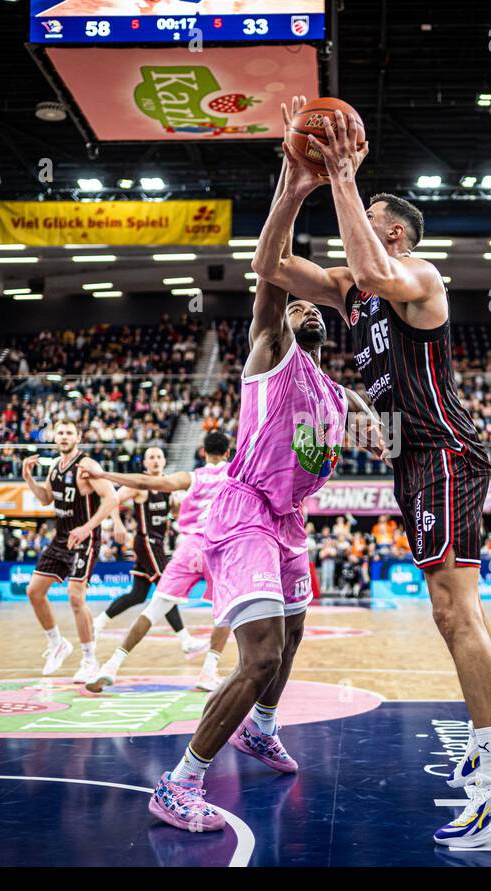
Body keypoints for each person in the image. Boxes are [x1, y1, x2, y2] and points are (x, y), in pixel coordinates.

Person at [252, 97, 491, 848]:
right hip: (415, 457)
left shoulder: (418, 276)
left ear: (397, 230)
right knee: (458, 611)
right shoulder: (353, 294)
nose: (353, 223)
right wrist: (294, 183)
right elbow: (269, 266)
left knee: (452, 611)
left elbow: (375, 266)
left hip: (442, 448)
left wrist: (344, 172)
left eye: (366, 211)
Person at [145, 160, 382, 833]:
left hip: (288, 521)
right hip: (243, 512)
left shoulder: (338, 396)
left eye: (313, 305)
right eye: (297, 301)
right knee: (262, 658)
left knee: (297, 628)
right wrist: (293, 187)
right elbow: (268, 270)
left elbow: (385, 420)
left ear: (326, 330)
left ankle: (262, 728)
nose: (303, 304)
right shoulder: (271, 351)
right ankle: (180, 782)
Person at [81, 429, 234, 692]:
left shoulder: (191, 477)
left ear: (203, 453)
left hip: (190, 547)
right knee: (225, 613)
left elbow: (142, 482)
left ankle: (111, 665)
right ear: (228, 453)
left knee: (152, 607)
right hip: (221, 549)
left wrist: (104, 474)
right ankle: (208, 671)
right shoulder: (236, 473)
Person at [21, 420, 123, 683]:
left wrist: (87, 528)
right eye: (60, 433)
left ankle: (89, 660)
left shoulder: (86, 465)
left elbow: (111, 498)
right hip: (61, 538)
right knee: (33, 591)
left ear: (78, 436)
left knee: (75, 596)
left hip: (84, 538)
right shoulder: (54, 466)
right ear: (55, 437)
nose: (64, 436)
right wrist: (28, 479)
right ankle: (57, 643)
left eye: (69, 433)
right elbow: (45, 499)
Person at [91, 446, 207, 657]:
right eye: (151, 457)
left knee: (138, 595)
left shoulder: (168, 486)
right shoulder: (140, 487)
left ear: (164, 462)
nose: (155, 460)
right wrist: (117, 523)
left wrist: (178, 506)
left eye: (158, 457)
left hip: (157, 543)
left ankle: (98, 622)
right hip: (146, 542)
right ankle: (186, 640)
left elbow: (174, 513)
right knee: (168, 589)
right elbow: (111, 500)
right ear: (145, 463)